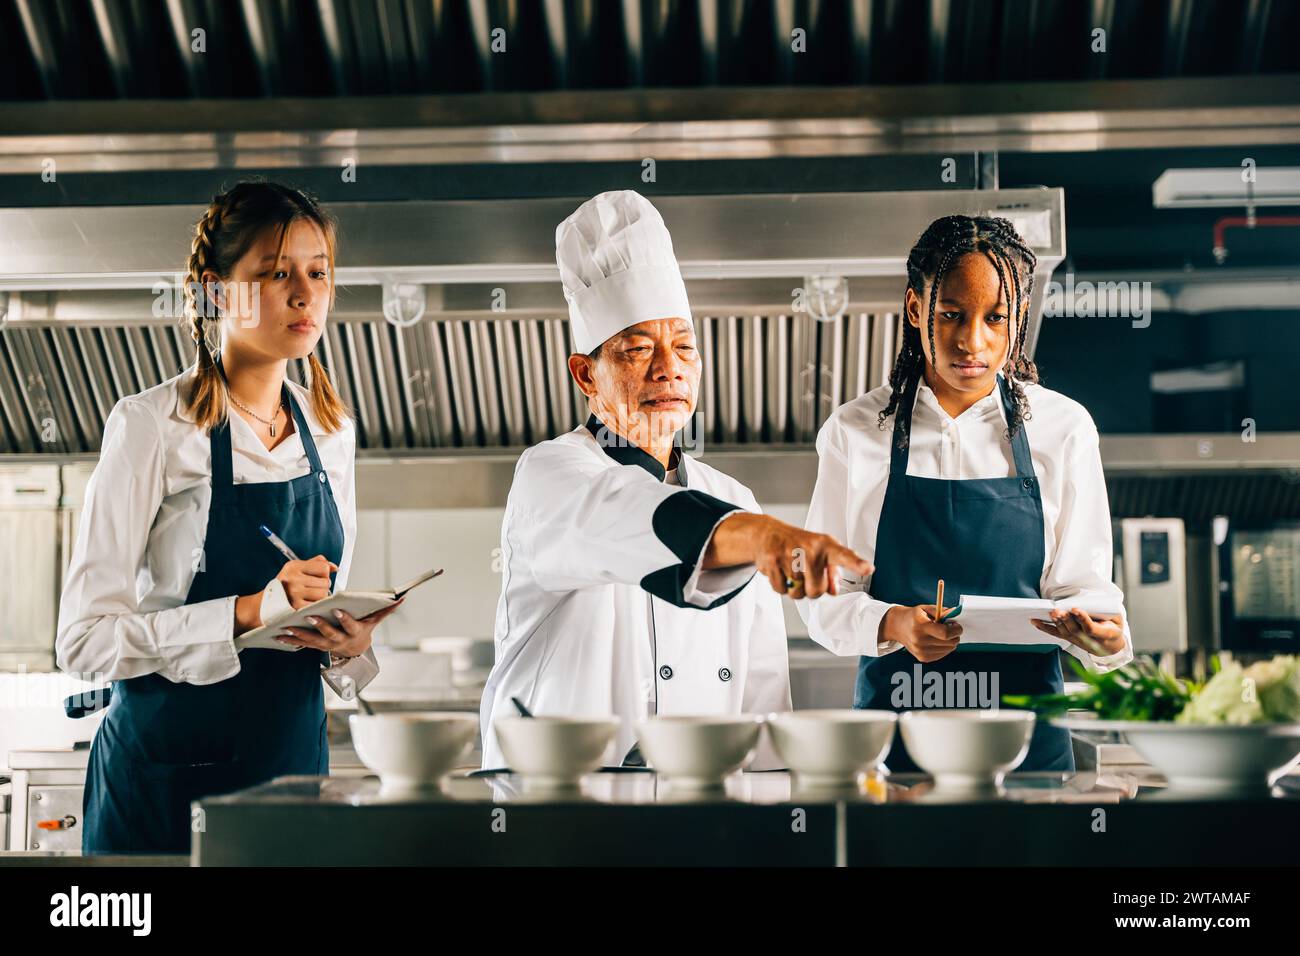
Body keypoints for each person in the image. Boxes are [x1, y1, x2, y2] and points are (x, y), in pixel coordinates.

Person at [56, 181, 398, 853]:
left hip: (291, 775)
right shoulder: (152, 425)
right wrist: (245, 612)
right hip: (164, 782)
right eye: (276, 274)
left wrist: (350, 647)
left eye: (317, 272)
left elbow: (316, 614)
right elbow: (83, 642)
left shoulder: (332, 431)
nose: (305, 294)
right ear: (217, 292)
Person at [480, 190, 873, 770]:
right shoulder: (551, 474)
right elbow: (628, 511)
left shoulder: (736, 501)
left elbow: (763, 704)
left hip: (698, 813)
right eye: (639, 349)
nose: (669, 368)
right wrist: (762, 538)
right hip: (563, 810)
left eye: (684, 347)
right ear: (585, 373)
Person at [797, 214, 1133, 773]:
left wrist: (1103, 638)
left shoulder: (1064, 428)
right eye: (952, 314)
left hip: (1029, 754)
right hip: (897, 752)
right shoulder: (855, 432)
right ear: (914, 309)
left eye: (996, 318)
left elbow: (1084, 588)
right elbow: (825, 598)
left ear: (1018, 319)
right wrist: (895, 624)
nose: (972, 341)